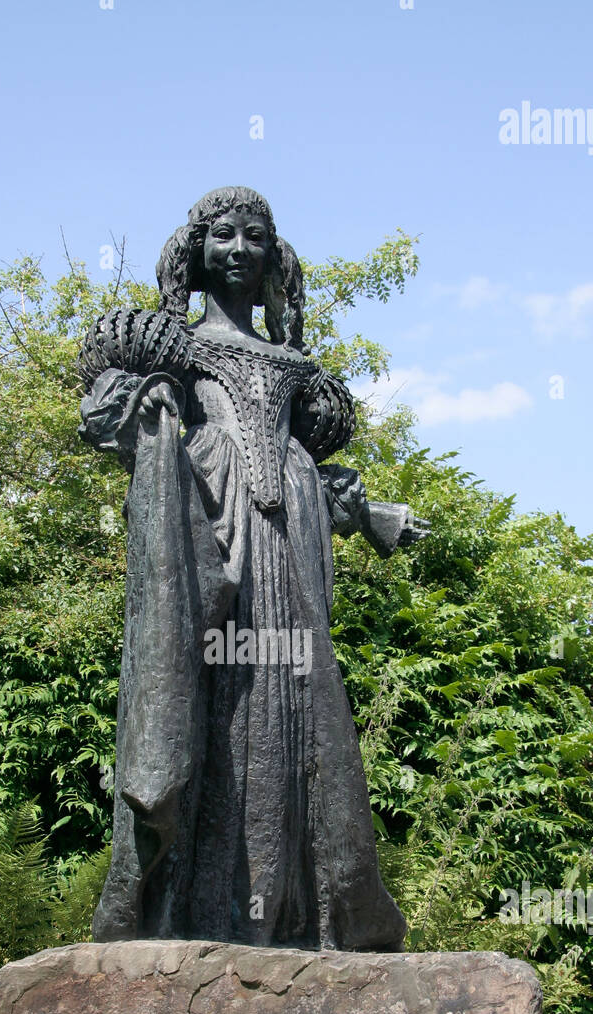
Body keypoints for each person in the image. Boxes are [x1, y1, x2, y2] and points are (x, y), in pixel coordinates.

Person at [78, 186, 427, 951]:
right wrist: (151, 407)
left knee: (303, 712)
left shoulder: (294, 364)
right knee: (216, 706)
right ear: (196, 252)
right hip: (214, 539)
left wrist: (371, 516)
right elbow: (108, 414)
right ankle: (203, 918)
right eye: (224, 235)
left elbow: (308, 463)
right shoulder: (174, 345)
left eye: (256, 237)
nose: (240, 249)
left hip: (292, 537)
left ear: (275, 257)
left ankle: (301, 923)